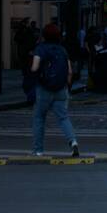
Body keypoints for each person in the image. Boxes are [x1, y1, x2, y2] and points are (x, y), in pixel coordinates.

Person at [31, 23, 79, 157]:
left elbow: (34, 68)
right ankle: (73, 142)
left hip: (44, 89)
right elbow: (69, 72)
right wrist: (66, 87)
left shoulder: (40, 49)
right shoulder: (62, 50)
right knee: (63, 118)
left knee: (39, 118)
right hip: (61, 89)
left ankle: (38, 150)